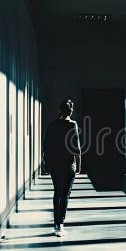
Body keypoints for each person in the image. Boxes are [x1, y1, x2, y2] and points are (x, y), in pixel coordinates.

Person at [42, 99, 82, 237]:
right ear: (71, 110)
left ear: (60, 109)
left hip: (54, 164)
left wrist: (46, 162)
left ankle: (55, 224)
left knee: (57, 192)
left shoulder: (52, 125)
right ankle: (60, 225)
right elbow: (76, 147)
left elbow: (46, 145)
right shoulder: (72, 125)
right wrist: (79, 164)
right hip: (68, 164)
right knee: (65, 194)